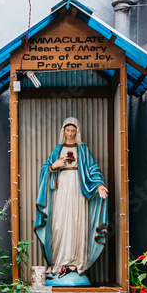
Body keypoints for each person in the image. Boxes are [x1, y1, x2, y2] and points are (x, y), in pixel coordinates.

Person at [34, 118, 108, 279]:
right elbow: (44, 170)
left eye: (73, 130)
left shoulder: (83, 150)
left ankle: (75, 263)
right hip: (60, 190)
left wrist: (99, 185)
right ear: (63, 131)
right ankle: (58, 262)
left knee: (77, 223)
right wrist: (53, 166)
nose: (70, 133)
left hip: (78, 189)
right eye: (67, 130)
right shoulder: (58, 149)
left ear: (77, 132)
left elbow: (93, 169)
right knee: (59, 224)